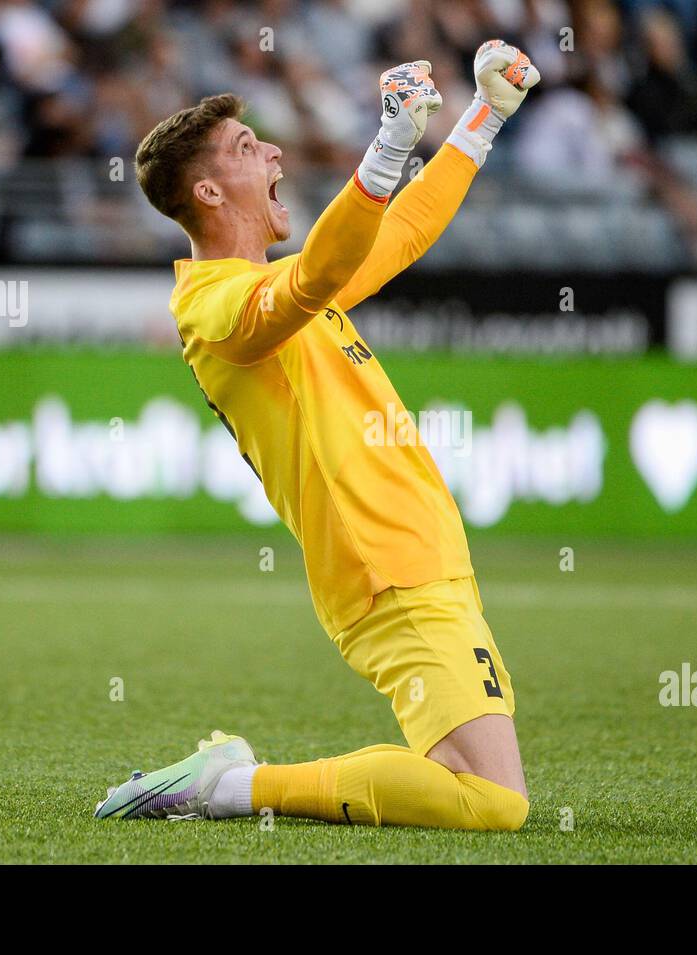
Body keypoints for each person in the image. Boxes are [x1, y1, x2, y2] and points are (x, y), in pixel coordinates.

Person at [95, 43, 540, 830]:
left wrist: (482, 118)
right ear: (206, 190)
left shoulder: (288, 288)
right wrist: (390, 143)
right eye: (243, 147)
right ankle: (232, 787)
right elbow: (313, 277)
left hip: (426, 556)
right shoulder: (213, 308)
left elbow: (394, 235)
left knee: (469, 783)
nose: (270, 148)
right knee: (491, 802)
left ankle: (233, 781)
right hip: (383, 566)